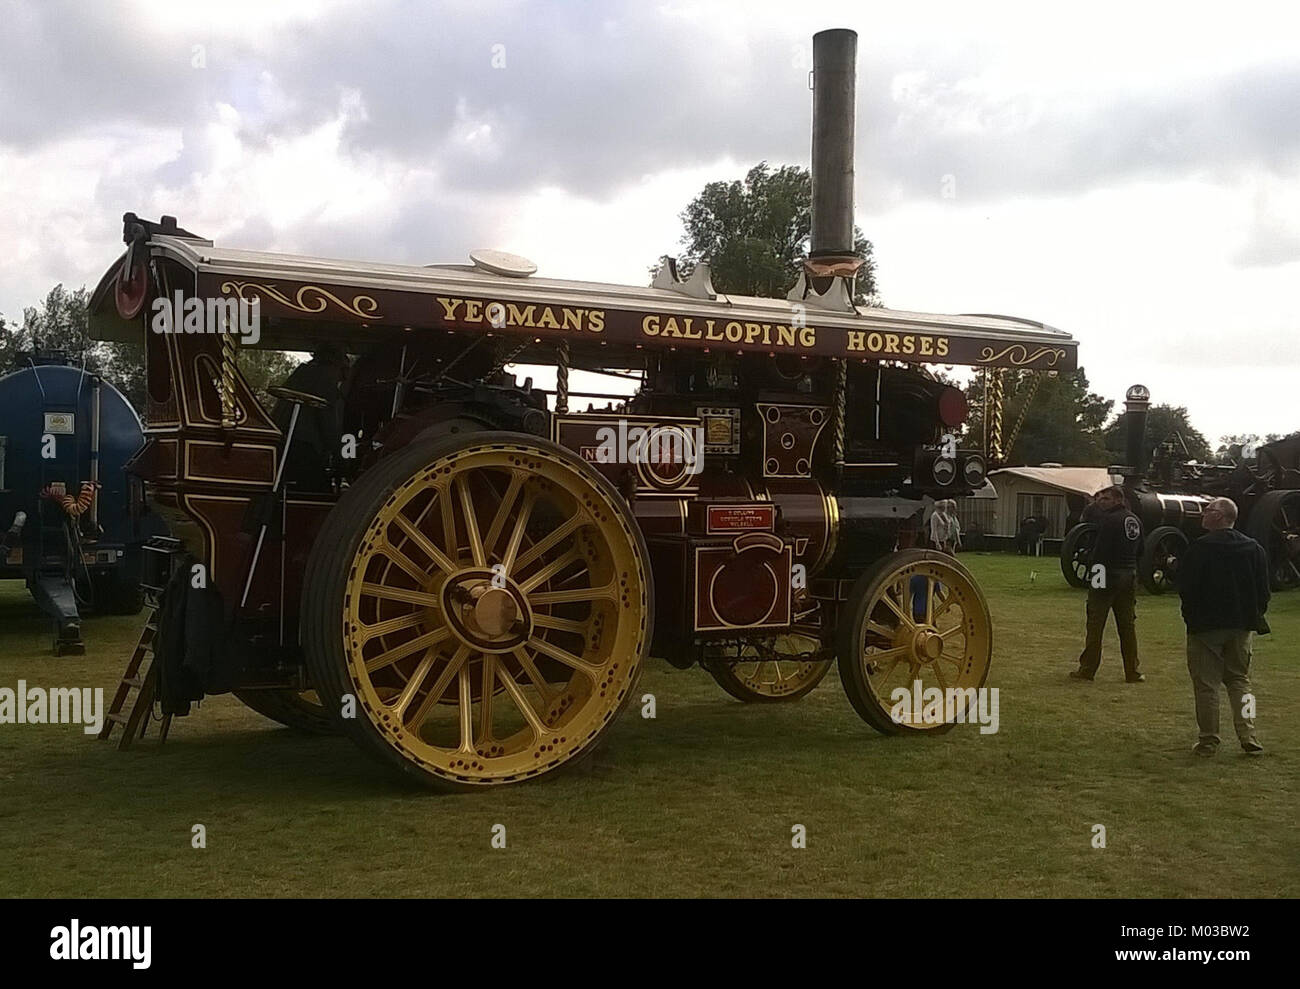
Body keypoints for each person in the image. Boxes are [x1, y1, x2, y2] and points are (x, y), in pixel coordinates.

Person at [1177, 497, 1269, 756]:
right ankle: (1248, 733)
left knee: (1207, 686)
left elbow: (1187, 588)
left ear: (1221, 516)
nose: (1204, 513)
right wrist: (1254, 615)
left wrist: (1190, 618)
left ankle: (1209, 739)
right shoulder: (1254, 548)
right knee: (1241, 682)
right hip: (1241, 625)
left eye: (1209, 509)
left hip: (1206, 626)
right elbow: (1263, 589)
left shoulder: (1200, 549)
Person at [1070, 485, 1144, 682]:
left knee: (1095, 624)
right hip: (1129, 576)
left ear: (1117, 500)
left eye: (1105, 499)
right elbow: (1141, 550)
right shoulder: (1134, 520)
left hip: (1108, 574)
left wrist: (1095, 583)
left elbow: (1100, 554)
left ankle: (1087, 669)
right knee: (1127, 626)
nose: (1101, 502)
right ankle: (1132, 671)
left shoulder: (1108, 521)